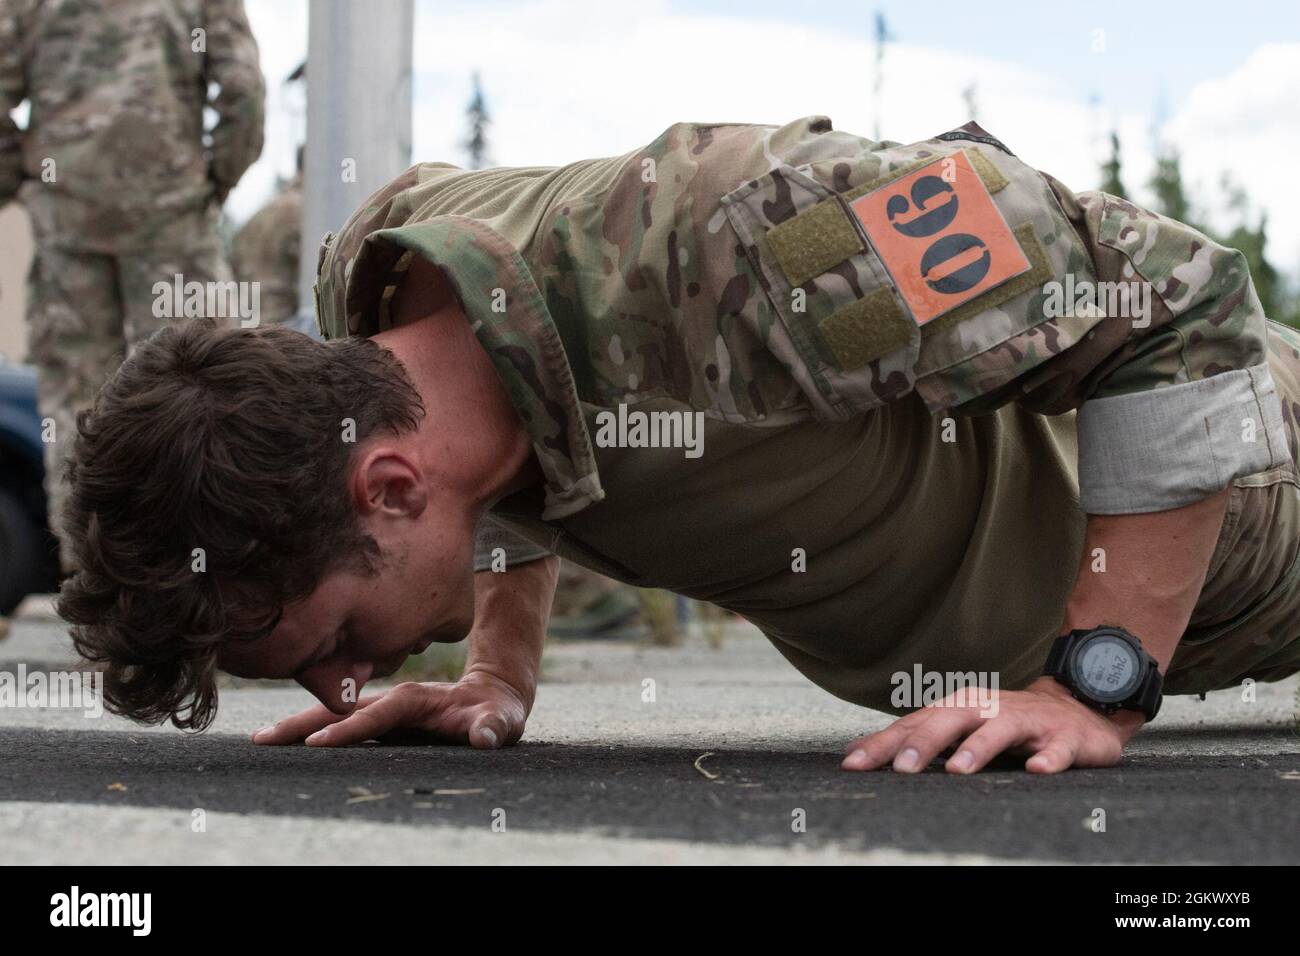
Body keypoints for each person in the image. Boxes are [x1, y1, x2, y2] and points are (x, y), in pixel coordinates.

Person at [57, 116, 1300, 774]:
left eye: (327, 641)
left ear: (384, 486)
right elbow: (502, 448)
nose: (343, 683)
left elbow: (1177, 302)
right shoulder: (381, 312)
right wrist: (499, 672)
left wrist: (1097, 682)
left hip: (1254, 528)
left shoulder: (763, 249)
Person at [0, 0, 265, 570]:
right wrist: (214, 179)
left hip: (68, 218)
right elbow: (242, 89)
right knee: (195, 391)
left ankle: (99, 583)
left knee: (75, 405)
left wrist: (20, 182)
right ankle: (194, 577)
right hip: (170, 216)